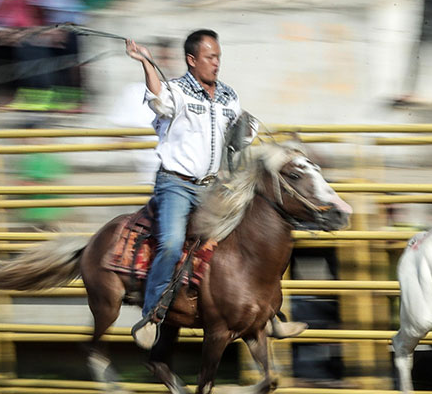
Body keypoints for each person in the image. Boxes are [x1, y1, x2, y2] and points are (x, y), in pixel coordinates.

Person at [125, 30, 305, 349]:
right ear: (192, 61)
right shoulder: (176, 91)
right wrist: (147, 64)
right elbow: (158, 100)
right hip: (176, 185)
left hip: (212, 185)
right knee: (170, 244)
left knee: (251, 237)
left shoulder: (228, 96)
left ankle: (271, 313)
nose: (216, 63)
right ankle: (152, 315)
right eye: (210, 57)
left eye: (218, 56)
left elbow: (241, 133)